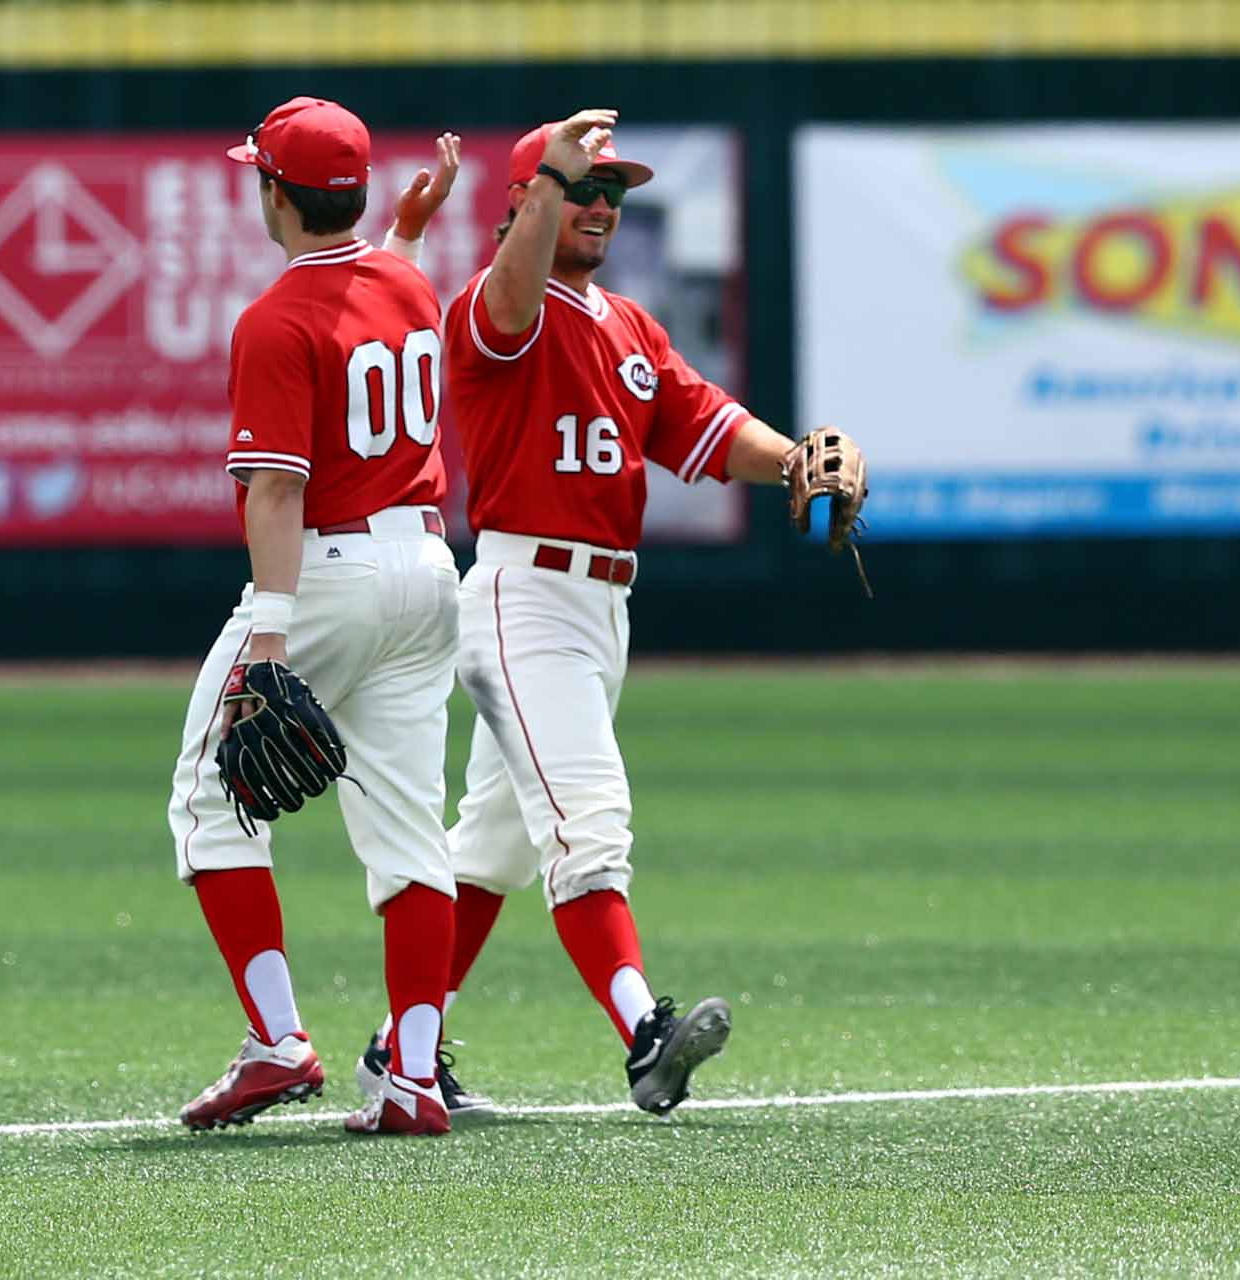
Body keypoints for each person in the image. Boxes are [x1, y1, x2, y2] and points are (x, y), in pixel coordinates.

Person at [358, 109, 824, 1117]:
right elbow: (512, 298)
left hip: (600, 602)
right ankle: (644, 1035)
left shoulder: (628, 327)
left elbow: (702, 419)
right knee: (590, 819)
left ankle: (401, 1048)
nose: (605, 205)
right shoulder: (497, 302)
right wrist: (545, 187)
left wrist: (789, 458)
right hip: (523, 593)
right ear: (531, 202)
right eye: (584, 189)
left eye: (615, 192)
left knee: (494, 846)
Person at [168, 97, 466, 1137]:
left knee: (209, 799)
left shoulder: (274, 318)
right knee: (410, 829)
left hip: (329, 571)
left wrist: (270, 630)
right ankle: (416, 1077)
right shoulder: (411, 279)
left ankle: (280, 1043)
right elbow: (375, 288)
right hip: (430, 571)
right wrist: (413, 227)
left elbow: (277, 492)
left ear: (277, 195)